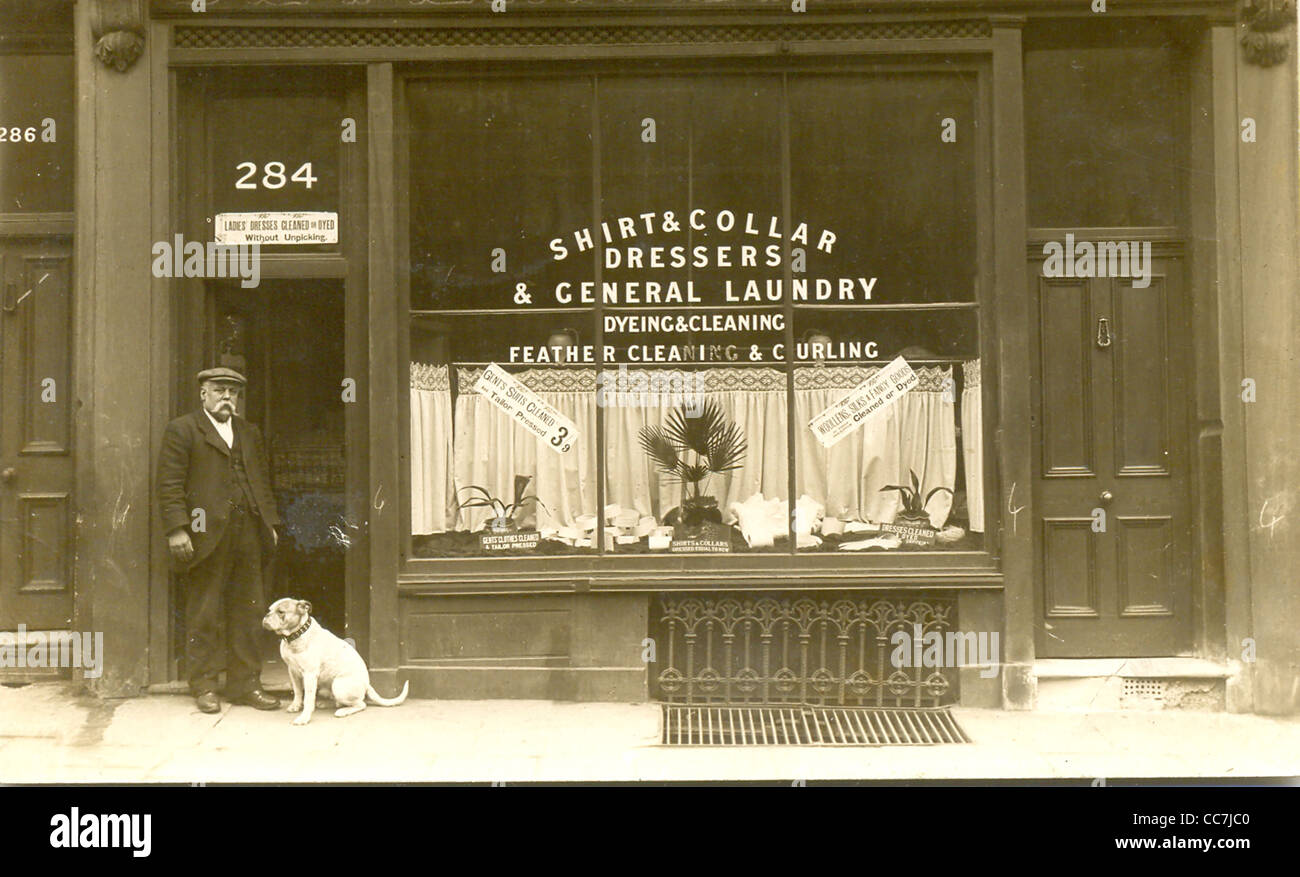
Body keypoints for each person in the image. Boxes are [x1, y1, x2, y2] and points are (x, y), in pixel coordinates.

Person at [156, 367, 282, 714]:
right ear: (204, 394)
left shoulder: (248, 431)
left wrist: (270, 523)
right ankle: (205, 685)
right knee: (205, 610)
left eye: (233, 392)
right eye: (220, 390)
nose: (227, 397)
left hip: (248, 532)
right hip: (205, 534)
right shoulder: (183, 430)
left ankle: (245, 684)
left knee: (249, 610)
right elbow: (169, 484)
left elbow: (260, 480)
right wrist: (177, 529)